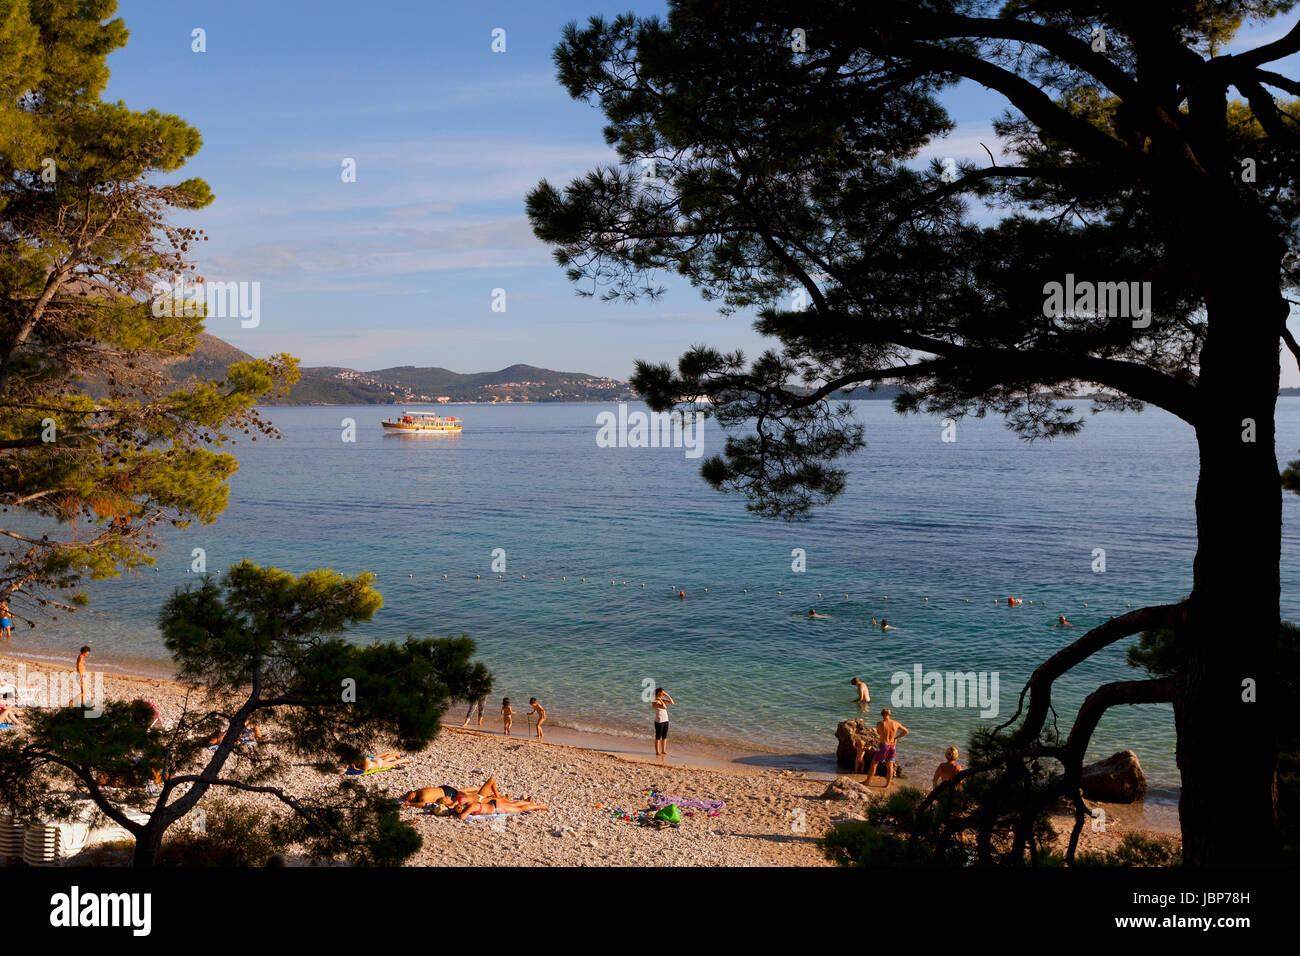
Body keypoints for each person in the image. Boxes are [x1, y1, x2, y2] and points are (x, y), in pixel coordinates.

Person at [865, 707, 909, 791]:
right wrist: (896, 738)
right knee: (890, 766)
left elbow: (878, 733)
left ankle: (867, 782)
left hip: (883, 746)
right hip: (892, 746)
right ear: (890, 714)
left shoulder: (880, 723)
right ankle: (887, 785)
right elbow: (906, 731)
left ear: (882, 714)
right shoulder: (895, 723)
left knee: (874, 763)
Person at [341, 751, 407, 775]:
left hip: (380, 764)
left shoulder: (365, 760)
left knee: (394, 763)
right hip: (375, 761)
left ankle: (405, 760)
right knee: (387, 760)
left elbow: (365, 771)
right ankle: (394, 755)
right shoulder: (358, 761)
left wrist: (355, 768)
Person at [652, 687, 674, 756]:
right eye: (662, 693)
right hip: (659, 721)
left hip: (665, 720)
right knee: (658, 737)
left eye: (663, 693)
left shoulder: (662, 700)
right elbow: (664, 707)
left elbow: (672, 703)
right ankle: (657, 752)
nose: (663, 695)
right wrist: (660, 700)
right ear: (658, 694)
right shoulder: (654, 702)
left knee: (664, 737)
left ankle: (663, 751)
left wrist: (667, 695)